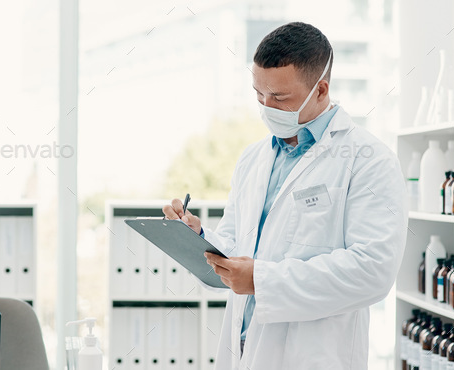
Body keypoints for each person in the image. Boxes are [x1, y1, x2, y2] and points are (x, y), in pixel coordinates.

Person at [162, 22, 408, 370]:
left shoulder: (369, 160)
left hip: (313, 357)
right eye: (258, 94)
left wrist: (262, 281)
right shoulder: (253, 157)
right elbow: (238, 247)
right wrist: (198, 237)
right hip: (243, 351)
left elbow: (372, 271)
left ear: (321, 90)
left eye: (279, 98)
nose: (266, 106)